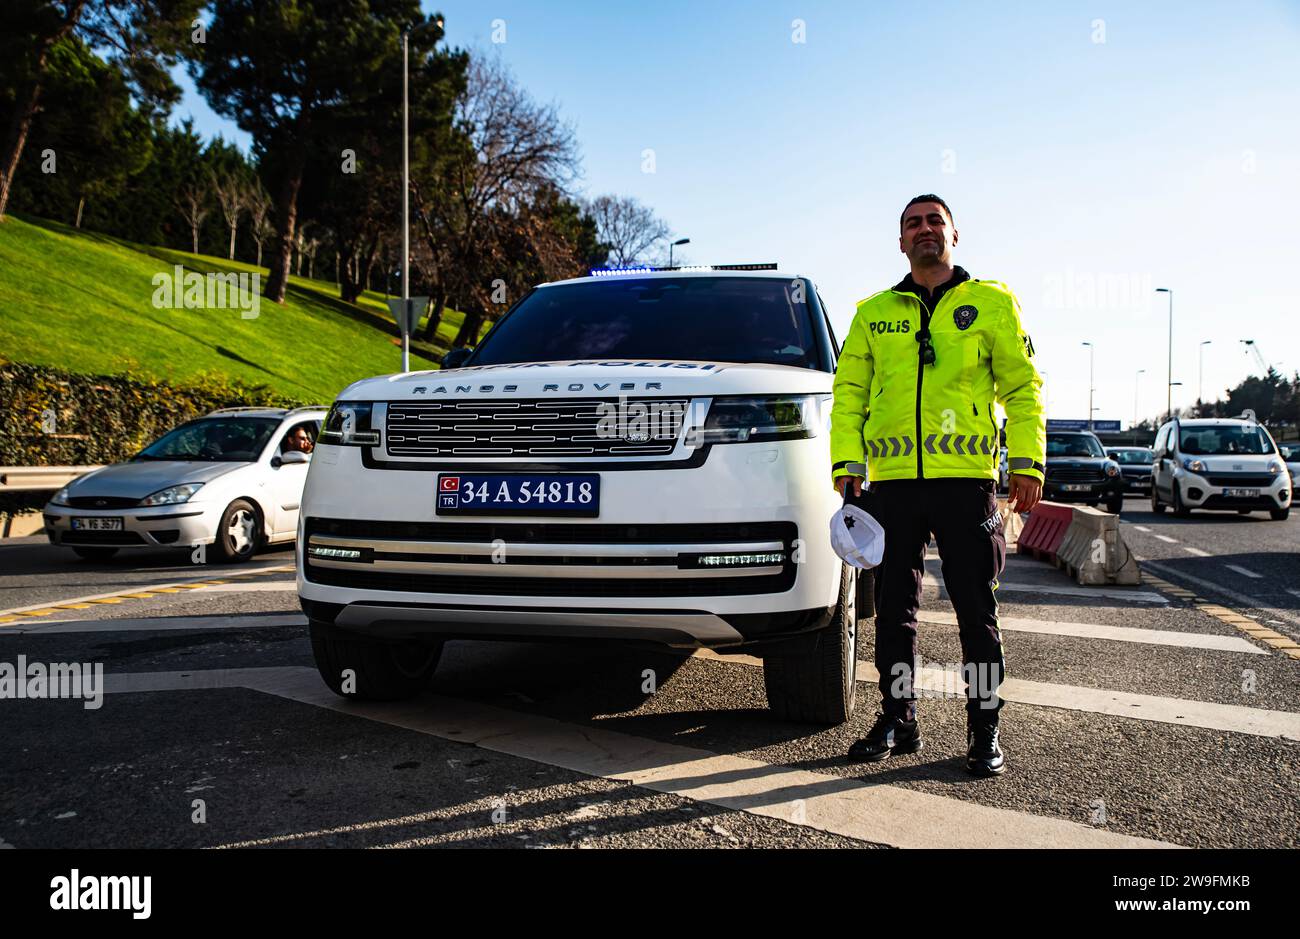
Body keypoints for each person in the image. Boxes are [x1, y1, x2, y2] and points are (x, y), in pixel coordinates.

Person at [830, 194, 1046, 776]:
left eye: (934, 221)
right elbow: (848, 394)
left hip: (966, 484)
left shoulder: (992, 304)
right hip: (892, 487)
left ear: (954, 236)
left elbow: (1022, 388)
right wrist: (846, 463)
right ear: (900, 242)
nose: (924, 230)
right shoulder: (872, 313)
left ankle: (985, 727)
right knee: (896, 609)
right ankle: (898, 718)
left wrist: (1027, 462)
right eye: (912, 224)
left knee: (976, 608)